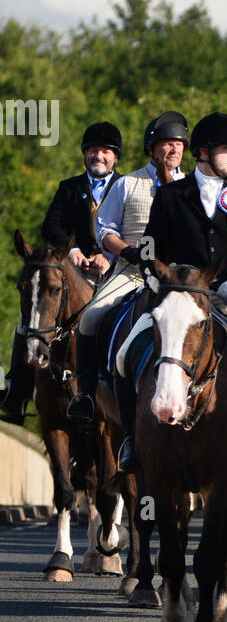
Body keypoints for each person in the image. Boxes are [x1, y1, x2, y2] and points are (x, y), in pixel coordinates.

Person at [115, 112, 227, 472]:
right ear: (204, 152)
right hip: (179, 296)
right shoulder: (170, 196)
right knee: (124, 356)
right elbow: (151, 245)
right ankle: (131, 439)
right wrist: (153, 275)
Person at [67, 111, 189, 427]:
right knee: (90, 317)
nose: (174, 150)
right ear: (152, 148)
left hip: (179, 276)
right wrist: (128, 251)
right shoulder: (127, 184)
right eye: (167, 144)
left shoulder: (192, 187)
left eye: (179, 145)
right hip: (132, 270)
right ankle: (86, 395)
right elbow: (103, 230)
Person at [0, 120, 122, 425]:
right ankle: (17, 391)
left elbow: (134, 229)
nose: (99, 155)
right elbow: (51, 227)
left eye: (105, 151)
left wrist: (108, 256)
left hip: (114, 271)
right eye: (93, 150)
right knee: (28, 319)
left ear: (115, 157)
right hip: (71, 270)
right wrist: (72, 252)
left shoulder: (127, 187)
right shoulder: (68, 188)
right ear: (85, 155)